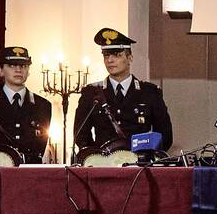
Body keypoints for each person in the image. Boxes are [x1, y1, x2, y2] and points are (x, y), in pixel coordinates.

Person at [72, 27, 173, 155]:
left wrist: (147, 157)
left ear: (130, 58)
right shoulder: (91, 93)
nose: (110, 60)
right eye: (106, 55)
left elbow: (165, 136)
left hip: (139, 166)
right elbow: (81, 135)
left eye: (117, 55)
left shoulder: (149, 93)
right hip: (104, 165)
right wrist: (97, 158)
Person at [0, 45, 53, 163]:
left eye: (23, 66)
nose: (18, 70)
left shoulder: (42, 105)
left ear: (28, 71)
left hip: (28, 173)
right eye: (12, 65)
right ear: (1, 71)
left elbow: (39, 148)